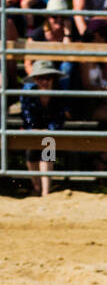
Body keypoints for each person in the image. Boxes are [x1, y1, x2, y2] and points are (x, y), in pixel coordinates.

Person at [21, 59, 69, 196]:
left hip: (51, 130)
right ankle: (37, 188)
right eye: (40, 78)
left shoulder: (59, 93)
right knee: (32, 146)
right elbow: (26, 115)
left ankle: (45, 191)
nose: (44, 81)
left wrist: (49, 130)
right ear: (35, 79)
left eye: (48, 77)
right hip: (33, 129)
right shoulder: (28, 92)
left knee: (48, 142)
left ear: (53, 79)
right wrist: (34, 130)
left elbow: (59, 117)